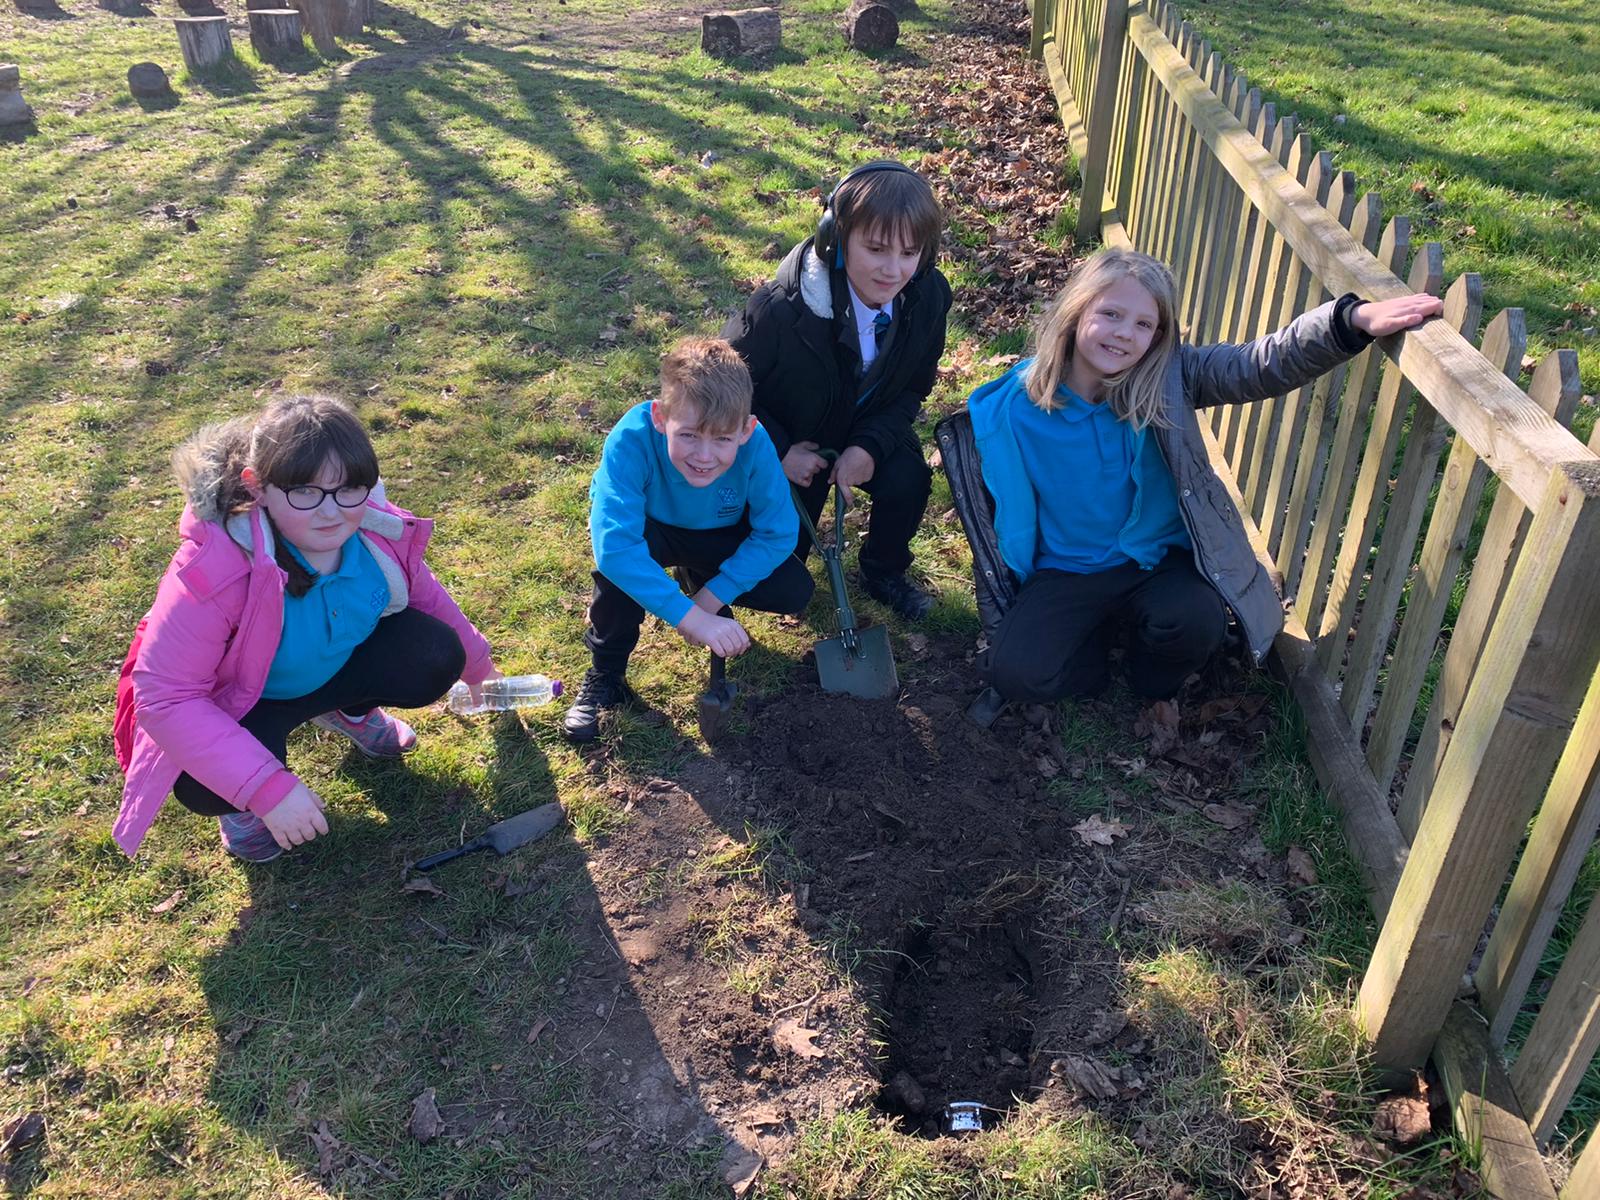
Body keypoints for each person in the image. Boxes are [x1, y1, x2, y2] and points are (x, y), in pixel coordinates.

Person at [961, 247, 1442, 708]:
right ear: (1076, 311)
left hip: (1153, 563)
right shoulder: (1014, 407)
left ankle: (1147, 679)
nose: (1124, 333)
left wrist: (1346, 323)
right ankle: (1099, 649)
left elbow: (1259, 364)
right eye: (1110, 314)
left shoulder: (1168, 379)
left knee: (1197, 624)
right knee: (1016, 673)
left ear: (1158, 337)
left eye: (1144, 324)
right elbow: (990, 511)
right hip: (1068, 568)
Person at [112, 394, 501, 863]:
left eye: (347, 489)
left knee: (436, 653)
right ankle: (240, 809)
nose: (331, 512)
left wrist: (481, 671)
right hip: (245, 704)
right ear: (257, 487)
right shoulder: (213, 567)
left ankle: (350, 711)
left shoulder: (376, 532)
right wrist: (266, 789)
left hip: (334, 667)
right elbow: (166, 698)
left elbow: (429, 600)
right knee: (200, 779)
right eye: (305, 492)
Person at [722, 159, 952, 620]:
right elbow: (725, 389)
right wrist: (779, 450)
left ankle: (883, 571)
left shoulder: (928, 298)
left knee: (908, 478)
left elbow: (912, 388)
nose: (893, 270)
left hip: (864, 423)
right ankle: (701, 558)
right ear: (836, 239)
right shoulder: (779, 310)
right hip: (792, 440)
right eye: (876, 249)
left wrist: (869, 446)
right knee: (775, 584)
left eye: (909, 253)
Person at [563, 336, 813, 743]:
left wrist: (712, 598)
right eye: (690, 435)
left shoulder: (758, 443)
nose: (704, 455)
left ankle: (697, 578)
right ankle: (605, 675)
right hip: (652, 530)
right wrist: (690, 618)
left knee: (794, 590)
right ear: (661, 418)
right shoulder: (632, 439)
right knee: (620, 578)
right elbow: (616, 549)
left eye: (722, 439)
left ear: (746, 431)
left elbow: (778, 532)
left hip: (720, 531)